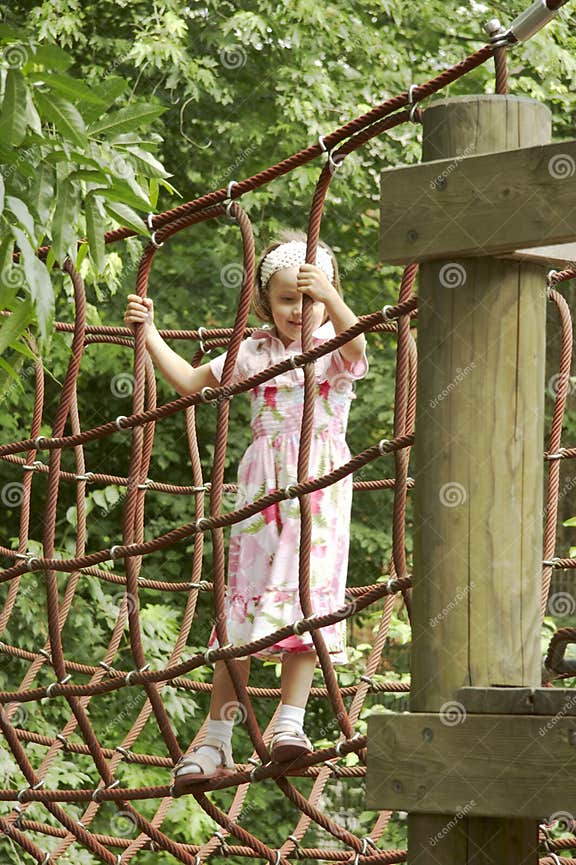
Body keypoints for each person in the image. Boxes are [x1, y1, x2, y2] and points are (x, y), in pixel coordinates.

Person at [124, 229, 368, 791]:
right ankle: (215, 740)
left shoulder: (334, 341)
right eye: (286, 299)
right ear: (264, 302)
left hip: (318, 488)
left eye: (309, 298)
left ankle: (290, 722)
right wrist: (149, 333)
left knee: (305, 601)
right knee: (242, 611)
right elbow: (187, 381)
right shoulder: (252, 351)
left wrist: (329, 297)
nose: (298, 310)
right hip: (260, 492)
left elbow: (359, 348)